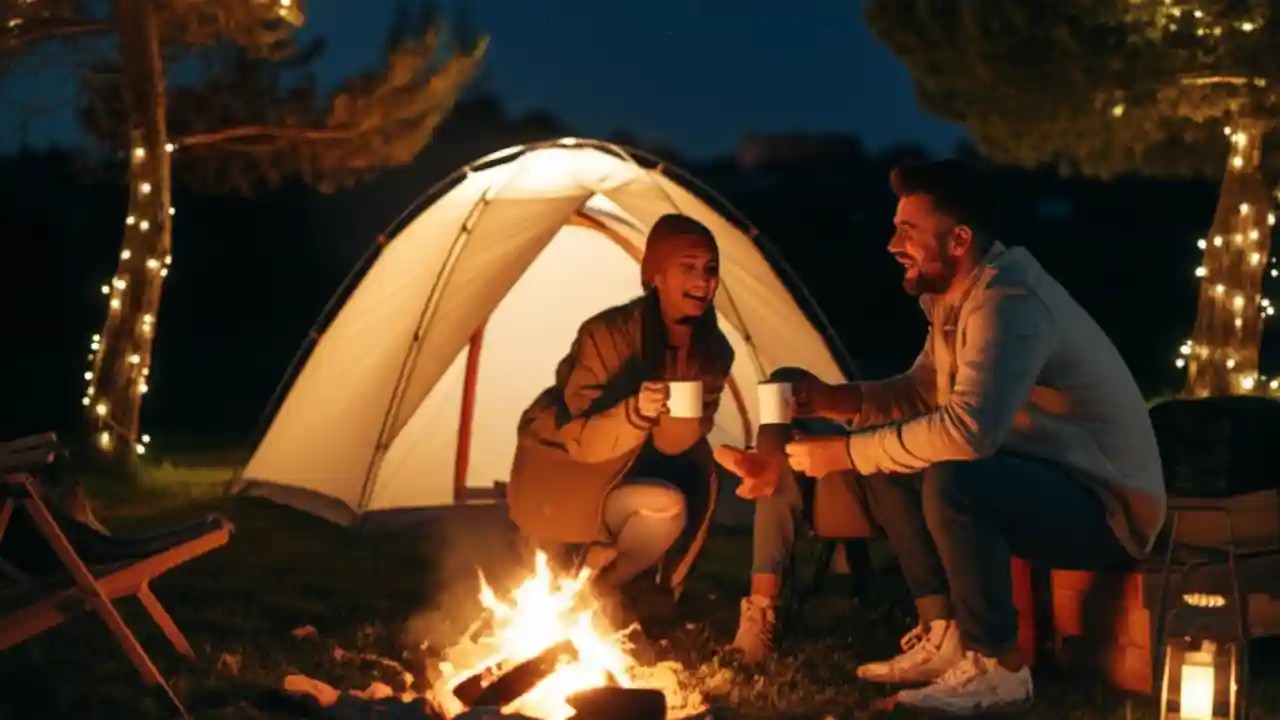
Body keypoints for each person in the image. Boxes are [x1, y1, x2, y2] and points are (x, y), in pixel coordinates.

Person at [726, 159, 1167, 715]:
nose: (891, 244)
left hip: (1105, 508)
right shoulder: (957, 300)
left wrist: (842, 452)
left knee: (957, 477)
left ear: (959, 239)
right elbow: (922, 391)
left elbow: (969, 431)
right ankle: (946, 634)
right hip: (1041, 479)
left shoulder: (1010, 303)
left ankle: (999, 667)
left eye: (907, 231)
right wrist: (842, 402)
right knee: (892, 455)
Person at [507, 212, 734, 633]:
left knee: (672, 505)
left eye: (710, 269)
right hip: (568, 478)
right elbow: (579, 439)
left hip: (631, 484)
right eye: (688, 268)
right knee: (652, 500)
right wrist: (634, 412)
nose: (702, 281)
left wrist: (685, 408)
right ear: (656, 276)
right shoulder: (606, 335)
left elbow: (673, 447)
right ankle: (577, 578)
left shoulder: (712, 351)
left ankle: (600, 587)